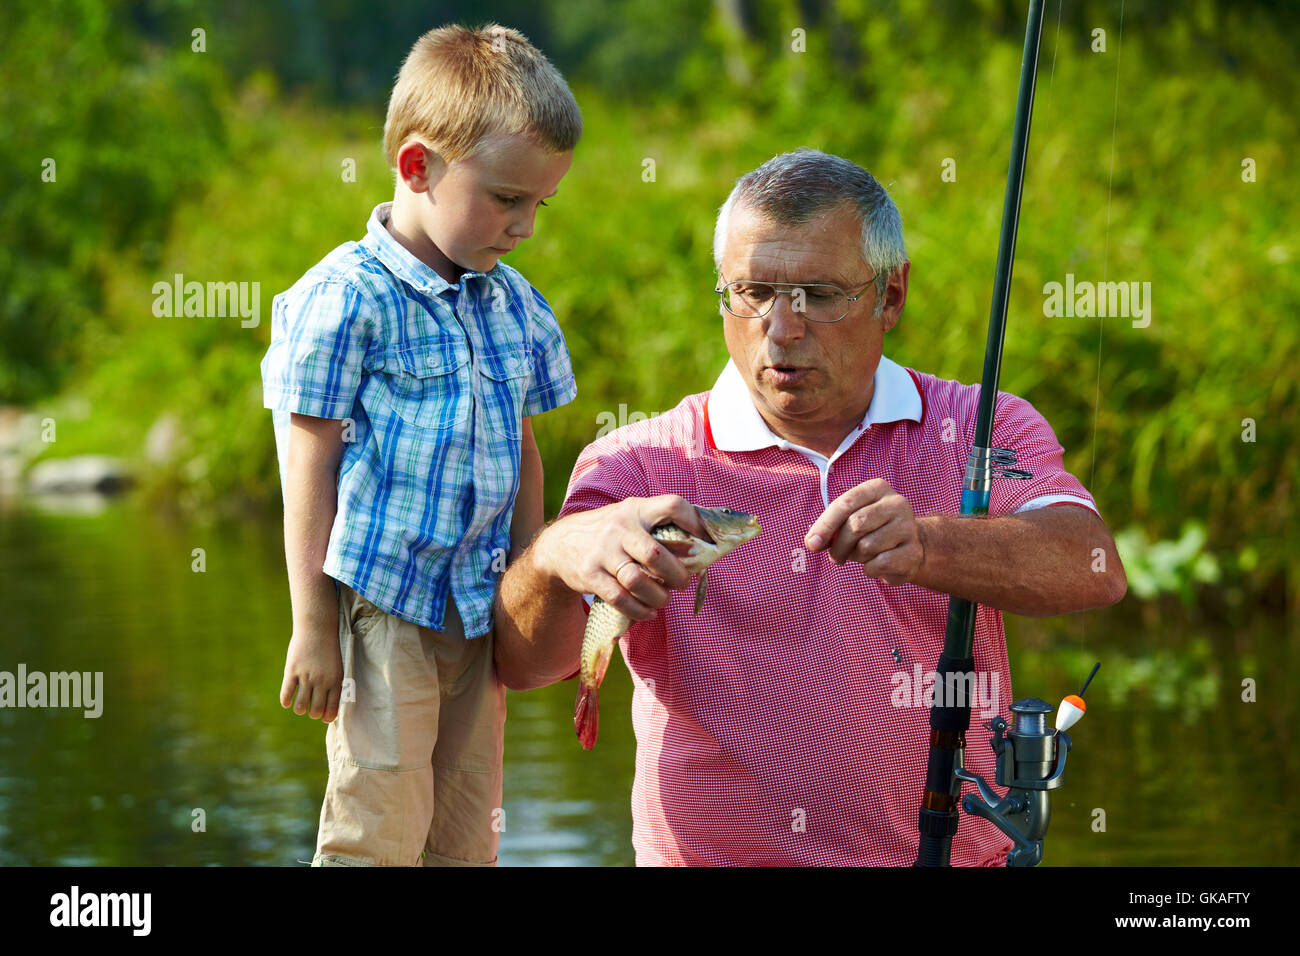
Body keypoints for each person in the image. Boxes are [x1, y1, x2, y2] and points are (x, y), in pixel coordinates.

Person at [493, 148, 1127, 866]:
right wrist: (553, 556)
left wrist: (928, 546)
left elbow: (1094, 565)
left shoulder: (980, 426)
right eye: (754, 291)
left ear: (890, 297)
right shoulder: (636, 462)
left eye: (821, 295)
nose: (782, 330)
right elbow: (524, 663)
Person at [259, 23, 581, 867]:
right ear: (417, 167)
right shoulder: (345, 300)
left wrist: (527, 591)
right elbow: (309, 467)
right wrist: (312, 628)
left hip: (478, 609)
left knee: (466, 830)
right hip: (381, 609)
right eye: (506, 198)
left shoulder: (512, 304)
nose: (524, 227)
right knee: (380, 822)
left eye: (538, 205)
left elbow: (525, 456)